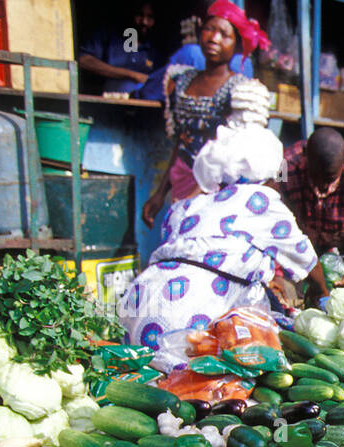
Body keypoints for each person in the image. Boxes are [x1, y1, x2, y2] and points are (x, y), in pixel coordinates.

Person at [118, 125, 325, 351]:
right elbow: (306, 259)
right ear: (270, 176)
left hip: (138, 306)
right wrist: (322, 294)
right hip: (188, 320)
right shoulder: (261, 201)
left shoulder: (186, 206)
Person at [141, 0, 270, 227]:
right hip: (182, 181)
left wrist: (198, 193)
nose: (214, 38)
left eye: (224, 34)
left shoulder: (241, 91)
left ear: (237, 44)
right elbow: (180, 144)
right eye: (210, 29)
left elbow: (239, 154)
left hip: (219, 191)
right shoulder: (182, 81)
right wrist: (160, 193)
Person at [279, 127, 344, 283]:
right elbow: (273, 224)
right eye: (316, 177)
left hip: (340, 236)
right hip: (300, 237)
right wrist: (278, 275)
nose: (323, 187)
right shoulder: (285, 168)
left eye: (330, 179)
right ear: (305, 156)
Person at [77, 2, 160, 96]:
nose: (144, 22)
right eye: (139, 15)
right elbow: (83, 60)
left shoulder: (156, 47)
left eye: (150, 17)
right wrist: (133, 75)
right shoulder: (108, 35)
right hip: (106, 102)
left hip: (143, 105)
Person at [139, 41, 254, 104]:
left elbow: (150, 91)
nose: (214, 38)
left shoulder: (190, 53)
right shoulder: (245, 63)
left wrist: (136, 93)